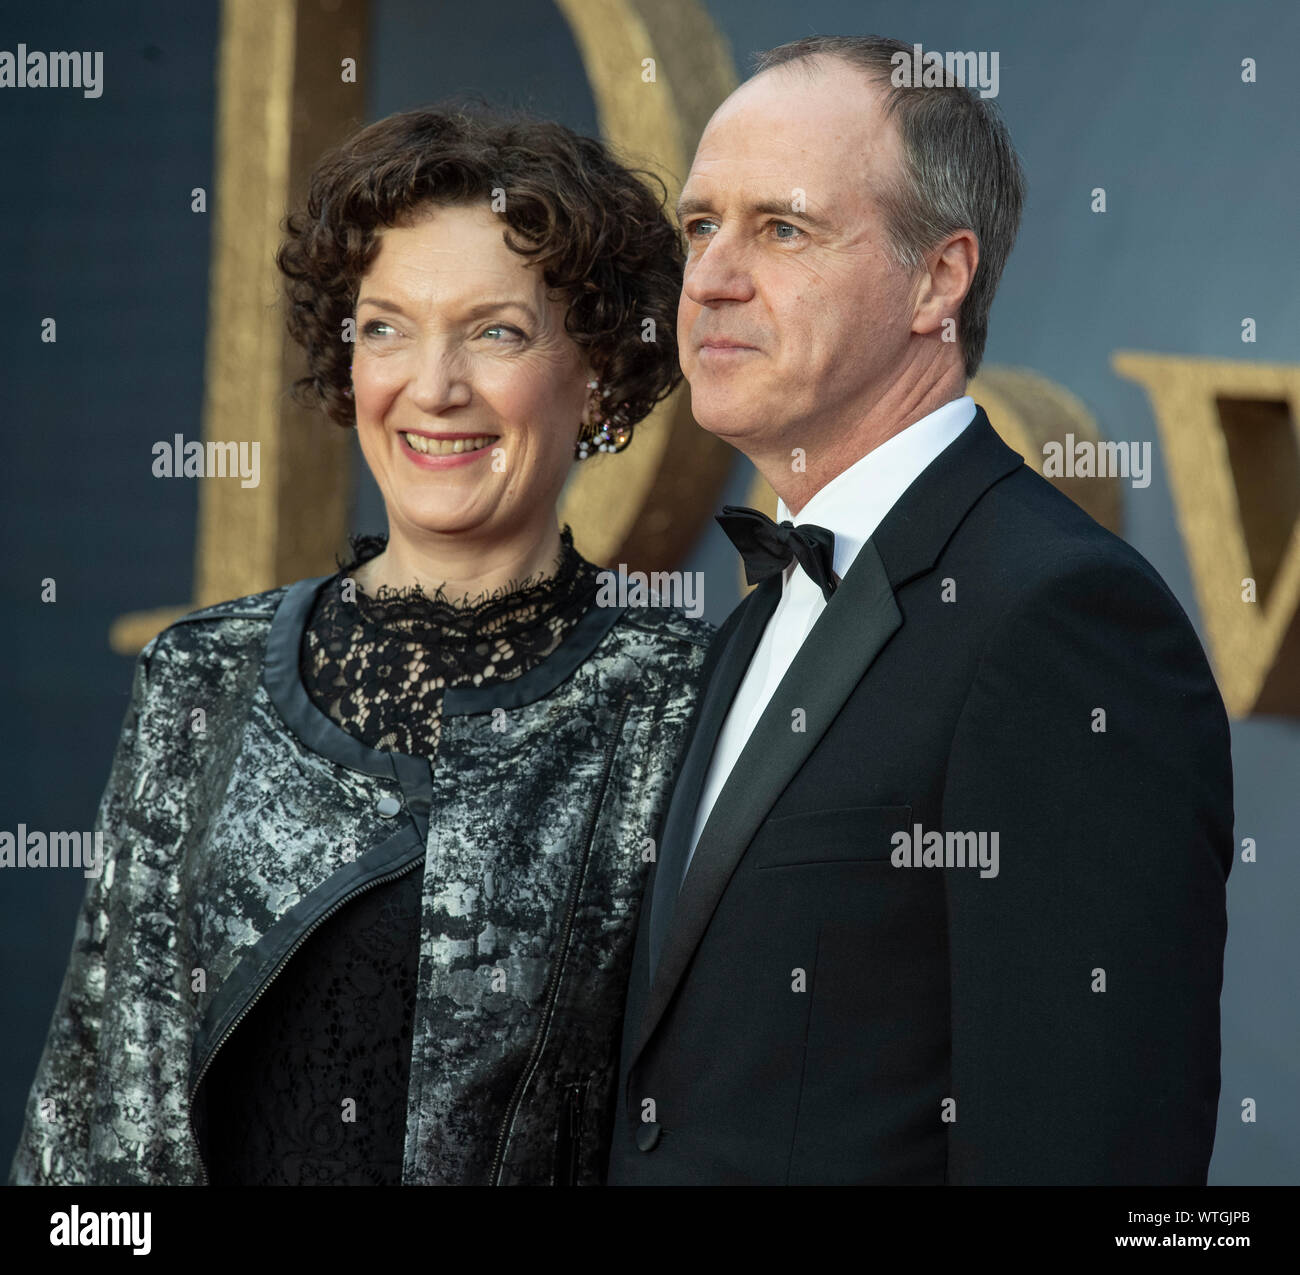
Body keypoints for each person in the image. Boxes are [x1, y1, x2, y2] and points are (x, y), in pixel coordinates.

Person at [9, 105, 712, 1186]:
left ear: (602, 373)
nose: (432, 388)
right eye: (386, 327)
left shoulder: (680, 704)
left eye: (497, 332)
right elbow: (84, 1127)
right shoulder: (204, 673)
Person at [608, 35, 1234, 1185]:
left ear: (937, 278)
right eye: (699, 227)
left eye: (781, 229)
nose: (709, 279)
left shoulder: (1060, 622)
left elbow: (1090, 1149)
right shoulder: (750, 623)